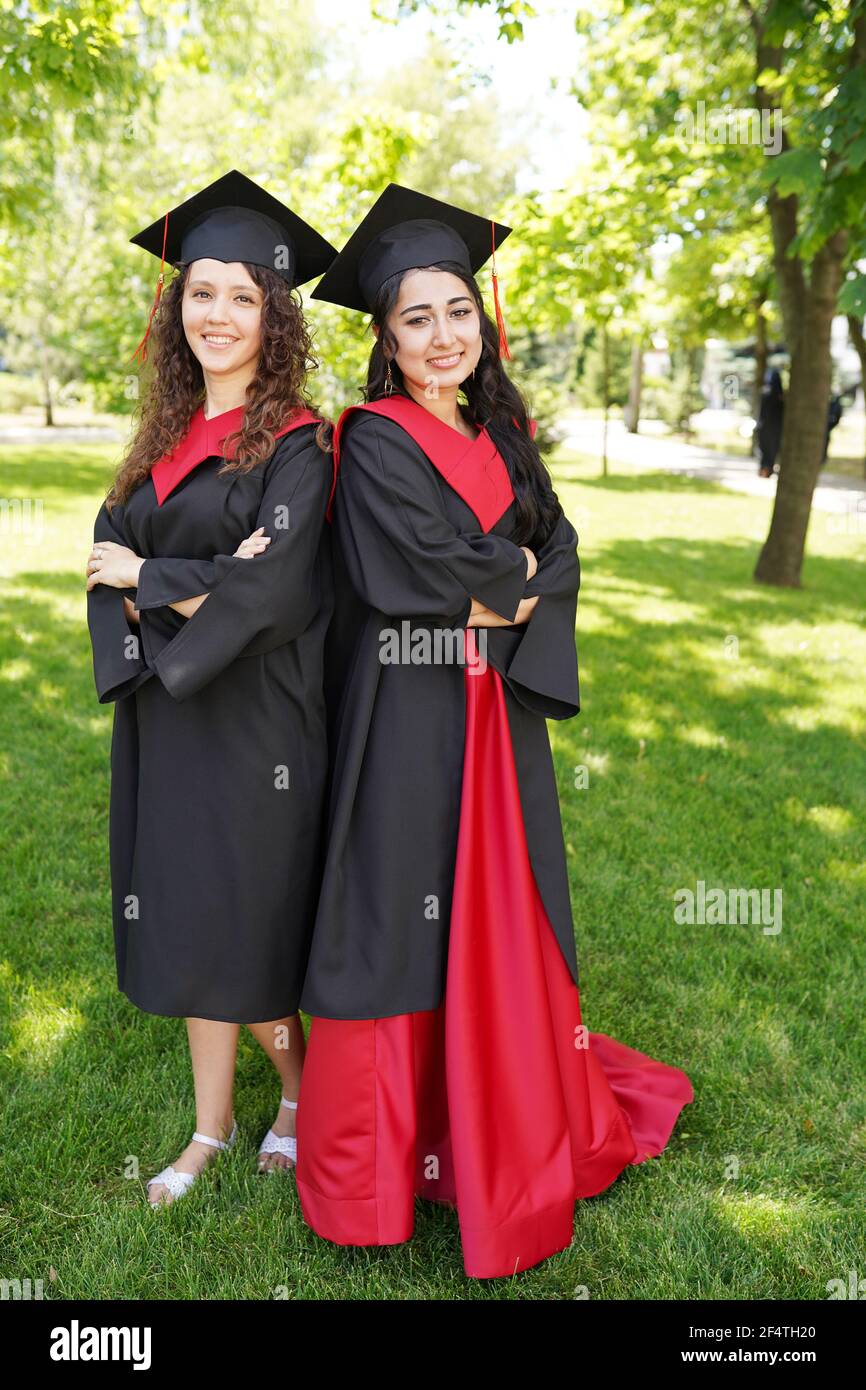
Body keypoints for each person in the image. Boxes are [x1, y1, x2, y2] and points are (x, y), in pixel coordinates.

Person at [295, 183, 694, 1279]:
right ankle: (384, 1167)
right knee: (398, 918)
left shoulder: (505, 433)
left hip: (495, 715)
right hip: (408, 713)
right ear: (384, 334)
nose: (441, 335)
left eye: (456, 310)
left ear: (483, 319)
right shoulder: (370, 439)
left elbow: (555, 558)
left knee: (499, 912)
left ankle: (495, 1141)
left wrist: (503, 582)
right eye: (415, 317)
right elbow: (417, 578)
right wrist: (505, 581)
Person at [85, 170, 337, 1204]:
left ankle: (299, 1091)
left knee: (253, 921)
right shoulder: (161, 438)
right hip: (169, 710)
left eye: (241, 295)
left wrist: (157, 582)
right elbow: (104, 555)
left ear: (272, 316)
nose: (217, 313)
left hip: (258, 724)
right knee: (191, 915)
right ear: (174, 306)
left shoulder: (298, 441)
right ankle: (211, 1128)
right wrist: (169, 592)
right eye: (200, 292)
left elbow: (274, 587)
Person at [756, 367, 784, 476]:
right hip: (774, 428)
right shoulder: (779, 397)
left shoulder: (766, 393)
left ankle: (765, 469)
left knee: (766, 450)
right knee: (771, 450)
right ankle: (766, 469)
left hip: (766, 427)